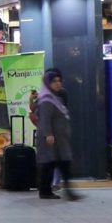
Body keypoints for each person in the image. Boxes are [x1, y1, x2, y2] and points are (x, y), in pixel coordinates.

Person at [35, 69, 81, 202]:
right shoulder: (46, 100)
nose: (58, 83)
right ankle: (46, 191)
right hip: (50, 140)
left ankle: (67, 191)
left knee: (62, 164)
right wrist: (48, 134)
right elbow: (45, 119)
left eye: (59, 80)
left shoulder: (57, 97)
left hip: (59, 140)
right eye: (54, 81)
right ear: (48, 83)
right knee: (49, 165)